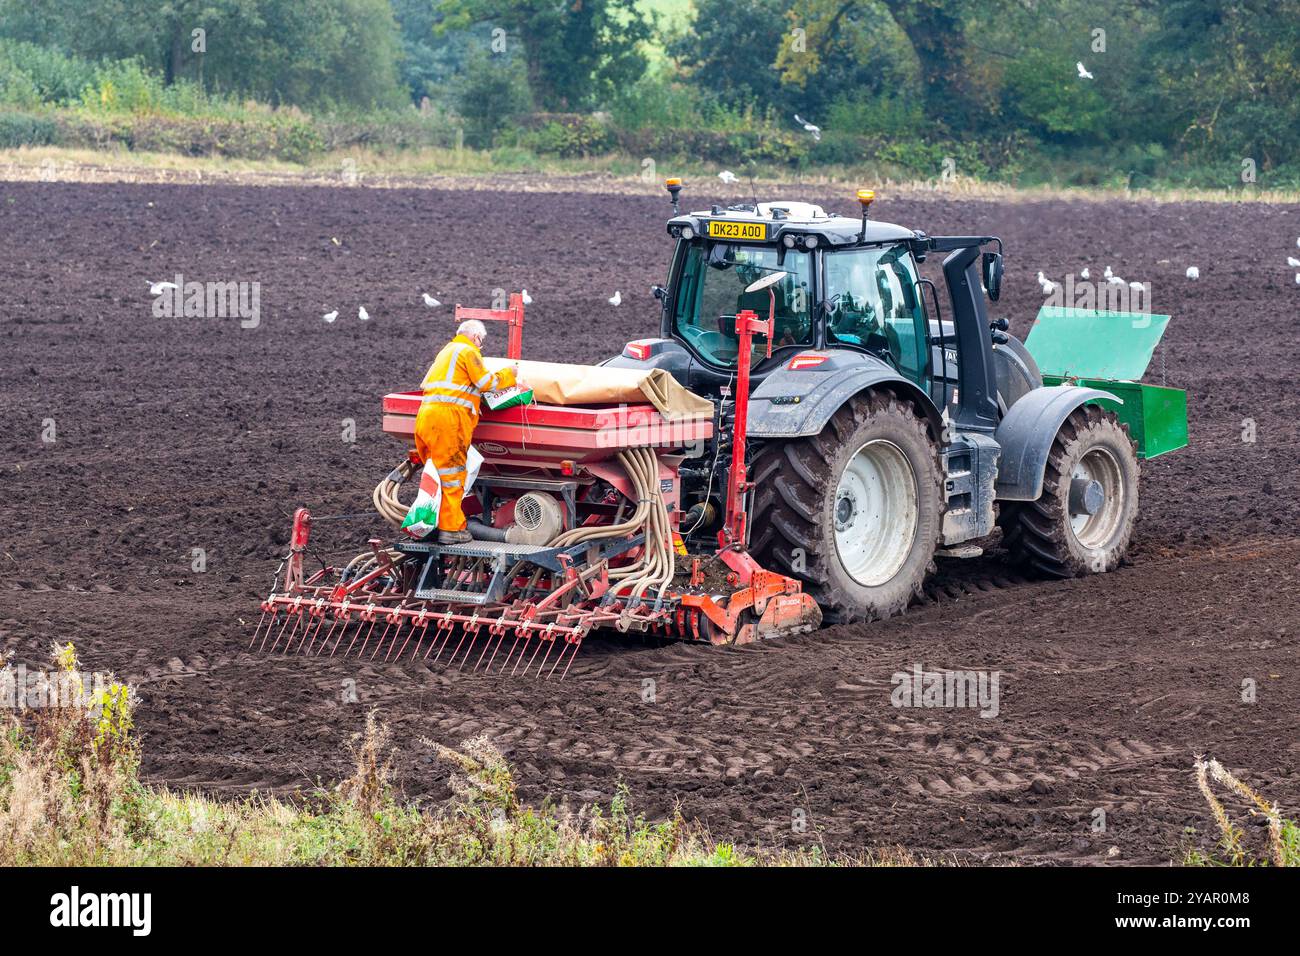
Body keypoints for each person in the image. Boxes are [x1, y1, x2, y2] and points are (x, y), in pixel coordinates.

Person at [415, 319, 518, 543]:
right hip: (449, 421)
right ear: (476, 337)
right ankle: (451, 530)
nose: (481, 346)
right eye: (482, 341)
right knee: (452, 477)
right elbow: (486, 382)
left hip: (426, 417)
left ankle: (432, 524)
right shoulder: (468, 351)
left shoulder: (446, 352)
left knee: (436, 476)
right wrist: (509, 374)